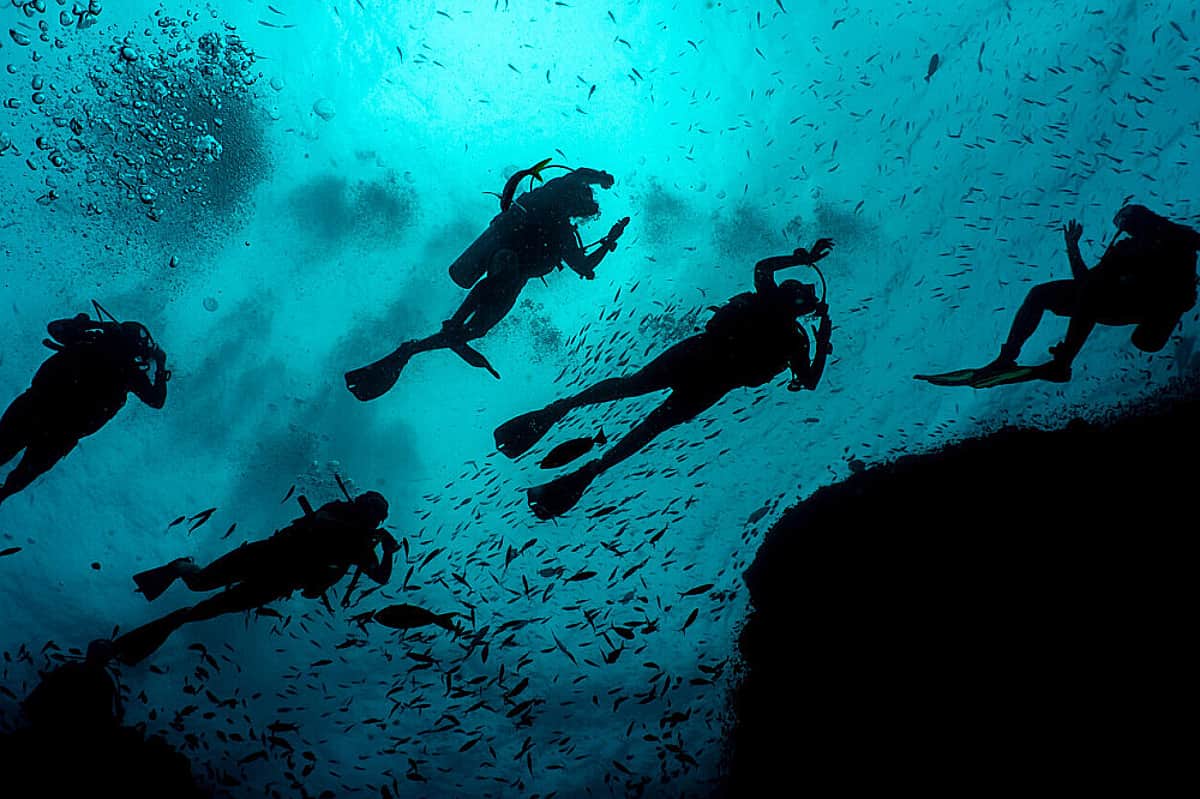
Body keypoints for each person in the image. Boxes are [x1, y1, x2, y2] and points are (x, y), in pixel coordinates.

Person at [494, 240, 836, 519]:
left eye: (802, 287)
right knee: (651, 424)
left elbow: (763, 267)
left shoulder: (773, 308)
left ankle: (562, 411)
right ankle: (591, 466)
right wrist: (821, 345)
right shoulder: (795, 339)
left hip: (697, 357)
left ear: (796, 299)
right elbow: (808, 380)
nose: (802, 286)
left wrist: (799, 259)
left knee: (633, 389)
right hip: (712, 381)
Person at [345, 161, 630, 400]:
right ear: (576, 197)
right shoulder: (552, 194)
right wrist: (602, 178)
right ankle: (453, 324)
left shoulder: (565, 234)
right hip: (504, 257)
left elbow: (584, 267)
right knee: (499, 278)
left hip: (516, 276)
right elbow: (579, 175)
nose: (585, 209)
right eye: (586, 201)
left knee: (477, 331)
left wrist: (608, 241)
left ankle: (414, 348)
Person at [917, 204, 1200, 388]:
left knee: (1108, 309)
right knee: (1040, 294)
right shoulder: (1123, 250)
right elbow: (1086, 283)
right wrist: (1072, 248)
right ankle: (1007, 358)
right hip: (1116, 302)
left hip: (1155, 307)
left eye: (1129, 222)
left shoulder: (1178, 237)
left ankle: (1062, 364)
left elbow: (1090, 289)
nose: (1125, 228)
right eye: (1123, 224)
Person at [112, 491, 398, 665]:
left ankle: (135, 644)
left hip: (276, 585)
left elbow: (381, 578)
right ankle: (181, 566)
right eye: (370, 508)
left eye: (377, 515)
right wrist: (361, 537)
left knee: (203, 611)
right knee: (200, 583)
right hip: (263, 555)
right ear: (360, 504)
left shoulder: (361, 548)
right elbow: (322, 521)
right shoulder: (338, 511)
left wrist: (388, 552)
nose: (371, 517)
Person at [0, 310, 169, 507]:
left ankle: (4, 493)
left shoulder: (89, 341)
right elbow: (157, 400)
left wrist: (96, 325)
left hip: (35, 410)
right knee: (20, 477)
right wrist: (160, 365)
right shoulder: (128, 370)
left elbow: (55, 327)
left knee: (7, 457)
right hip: (60, 431)